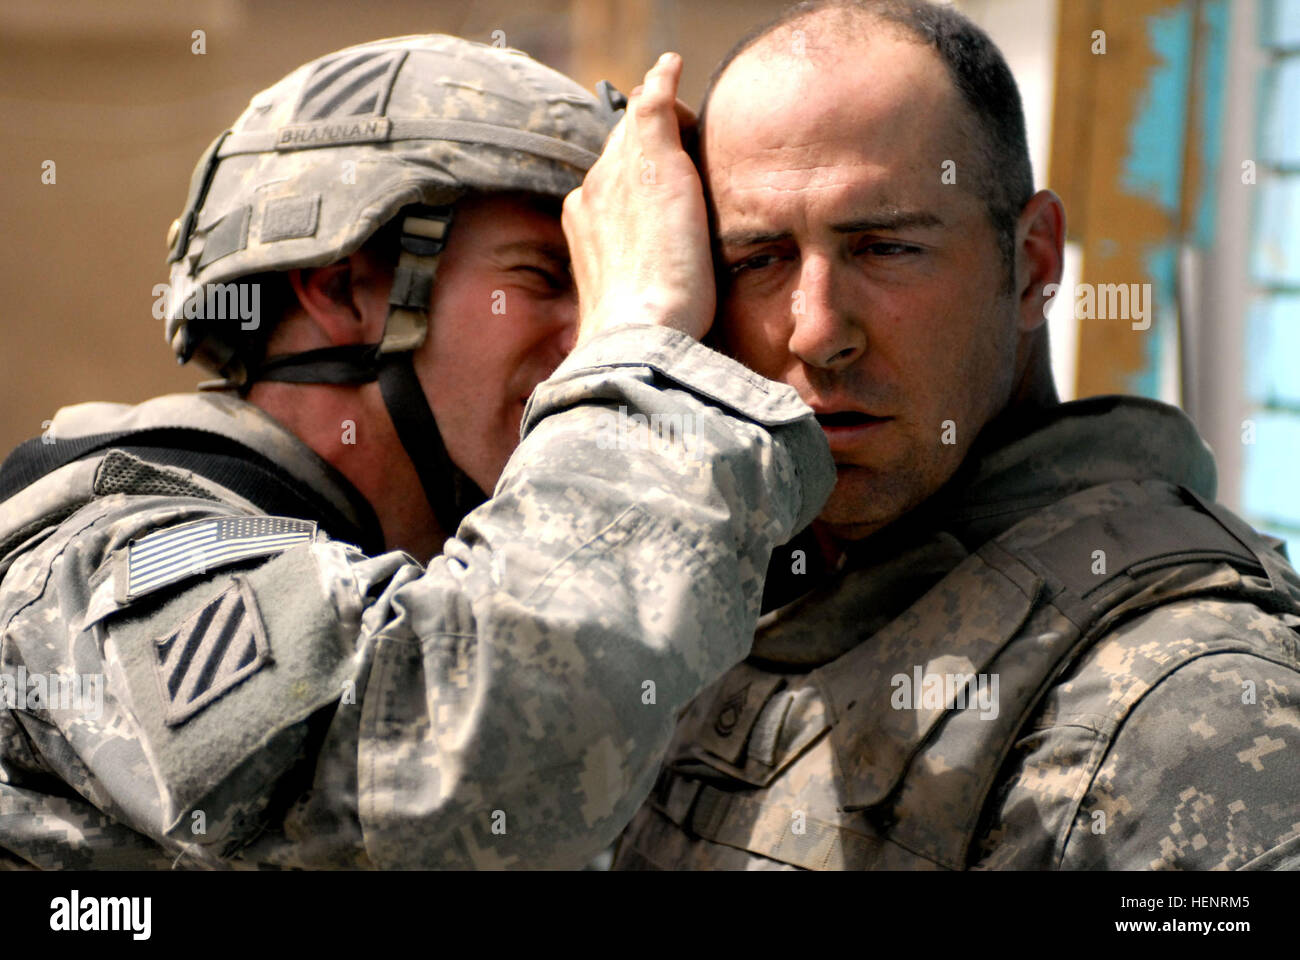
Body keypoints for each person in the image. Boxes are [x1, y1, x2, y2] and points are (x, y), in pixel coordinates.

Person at [0, 35, 835, 869]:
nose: (591, 333)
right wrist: (641, 333)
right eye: (547, 276)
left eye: (609, 282)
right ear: (343, 290)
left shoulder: (426, 570)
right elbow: (442, 785)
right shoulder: (106, 560)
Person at [603, 0, 1300, 870]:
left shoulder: (1192, 704)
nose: (817, 332)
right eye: (759, 260)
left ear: (1033, 267)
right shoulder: (721, 589)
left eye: (885, 247)